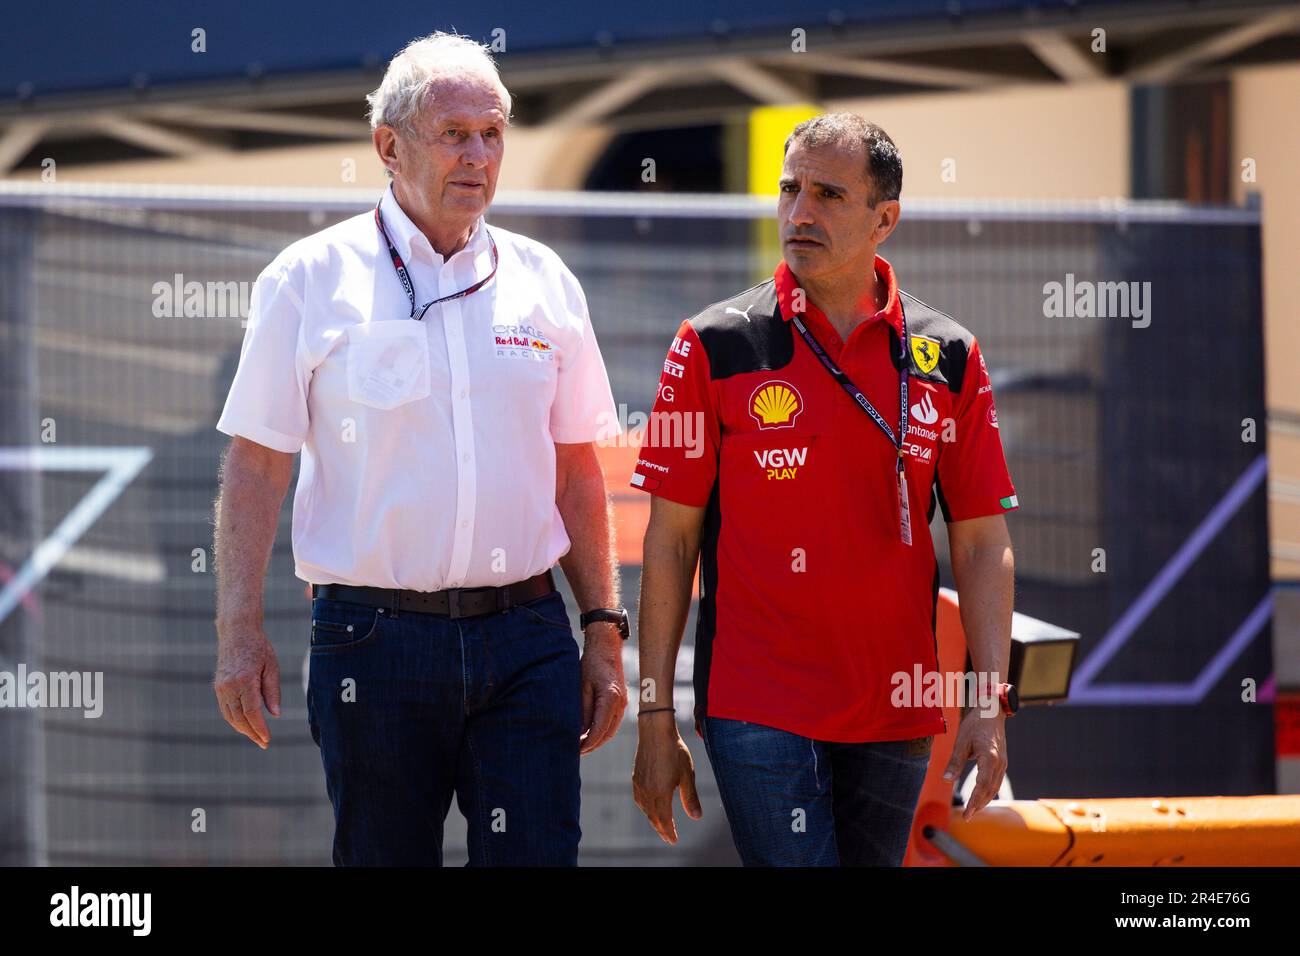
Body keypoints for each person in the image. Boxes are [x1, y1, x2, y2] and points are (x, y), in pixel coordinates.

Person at [211, 32, 629, 866]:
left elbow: (578, 471)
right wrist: (238, 631)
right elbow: (257, 465)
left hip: (527, 636)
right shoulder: (308, 277)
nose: (478, 155)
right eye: (454, 134)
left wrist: (604, 634)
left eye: (493, 133)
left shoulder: (546, 280)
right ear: (388, 147)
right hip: (373, 642)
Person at [630, 113, 1018, 866]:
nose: (800, 212)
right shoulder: (713, 343)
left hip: (899, 706)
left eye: (829, 195)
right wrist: (654, 715)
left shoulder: (948, 355)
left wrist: (988, 702)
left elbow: (983, 541)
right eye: (790, 190)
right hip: (758, 705)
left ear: (884, 220)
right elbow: (670, 542)